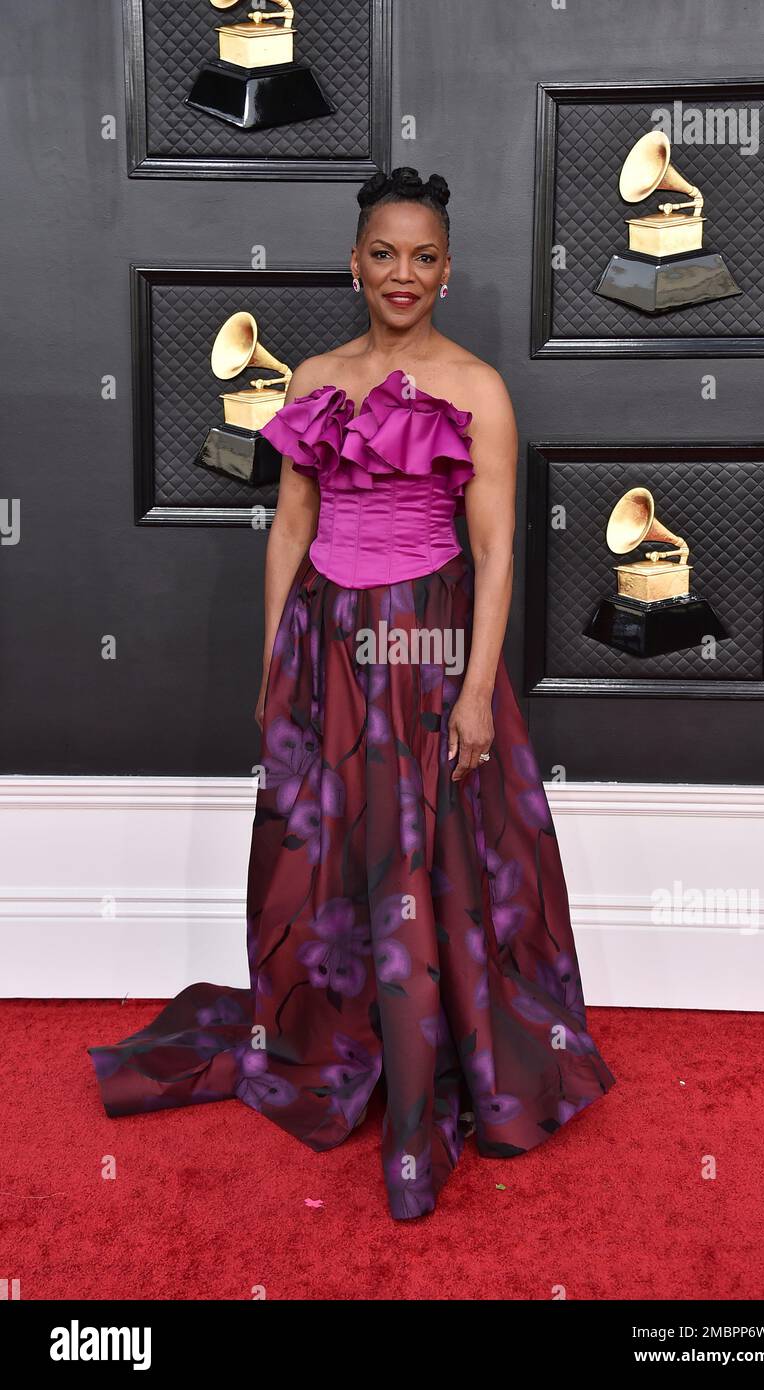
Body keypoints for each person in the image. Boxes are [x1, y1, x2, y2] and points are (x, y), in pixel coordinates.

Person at [88, 166, 616, 1220]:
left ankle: (427, 1095)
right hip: (326, 638)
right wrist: (277, 657)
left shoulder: (477, 388)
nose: (403, 273)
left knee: (421, 857)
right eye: (385, 253)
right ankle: (339, 1041)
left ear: (449, 270)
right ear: (356, 261)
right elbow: (289, 526)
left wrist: (476, 692)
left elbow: (499, 547)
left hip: (427, 646)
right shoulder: (313, 378)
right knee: (325, 850)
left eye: (424, 257)